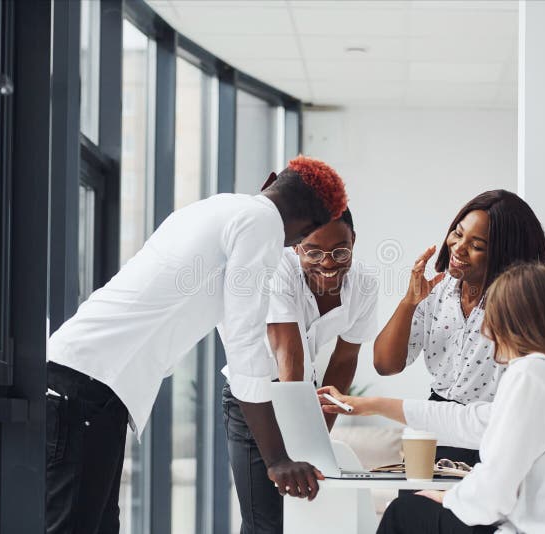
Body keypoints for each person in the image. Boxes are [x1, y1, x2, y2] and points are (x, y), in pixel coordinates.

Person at [45, 156, 347, 534]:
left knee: (98, 525)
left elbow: (234, 329)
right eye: (302, 240)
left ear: (272, 180)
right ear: (310, 227)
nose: (293, 247)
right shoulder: (262, 224)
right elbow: (245, 343)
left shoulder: (218, 208)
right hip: (86, 384)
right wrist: (277, 459)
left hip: (86, 381)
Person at [320, 263, 545, 534]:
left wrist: (450, 498)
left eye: (492, 318)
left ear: (512, 322)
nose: (486, 331)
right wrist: (372, 406)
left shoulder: (530, 373)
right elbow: (471, 421)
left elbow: (494, 492)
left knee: (404, 512)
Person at [223, 208, 379, 534]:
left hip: (300, 396)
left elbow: (344, 360)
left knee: (302, 520)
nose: (328, 262)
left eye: (340, 250)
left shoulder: (364, 283)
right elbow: (288, 353)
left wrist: (316, 437)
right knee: (265, 522)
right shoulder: (277, 268)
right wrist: (296, 444)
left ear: (354, 241)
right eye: (313, 251)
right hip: (256, 399)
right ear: (295, 245)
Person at [373, 190, 545, 466]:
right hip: (436, 427)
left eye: (477, 245)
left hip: (490, 432)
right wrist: (409, 301)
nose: (458, 247)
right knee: (410, 507)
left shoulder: (519, 306)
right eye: (457, 233)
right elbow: (385, 364)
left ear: (504, 254)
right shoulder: (438, 290)